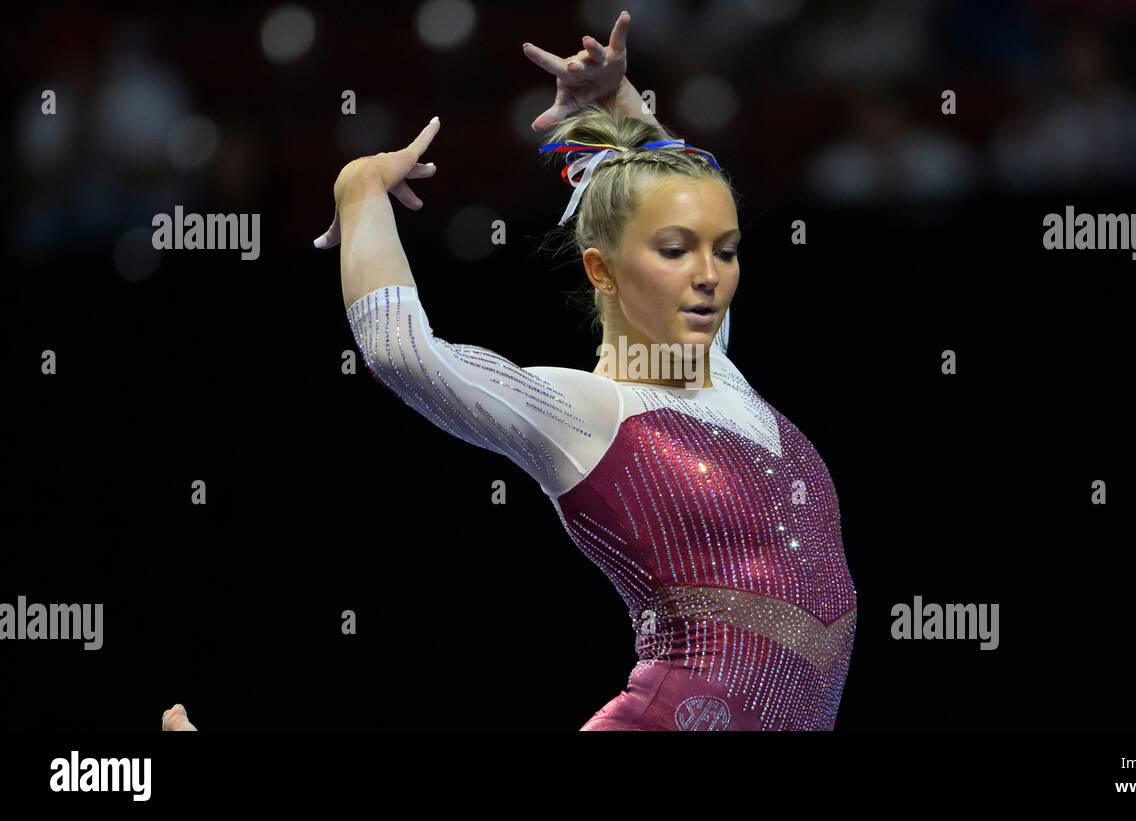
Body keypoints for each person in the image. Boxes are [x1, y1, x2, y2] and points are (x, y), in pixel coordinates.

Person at [160, 10, 855, 732]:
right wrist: (360, 191)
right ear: (603, 270)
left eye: (728, 250)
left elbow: (669, 194)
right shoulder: (587, 409)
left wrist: (617, 110)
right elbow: (404, 352)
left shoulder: (718, 375)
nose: (711, 275)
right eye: (677, 251)